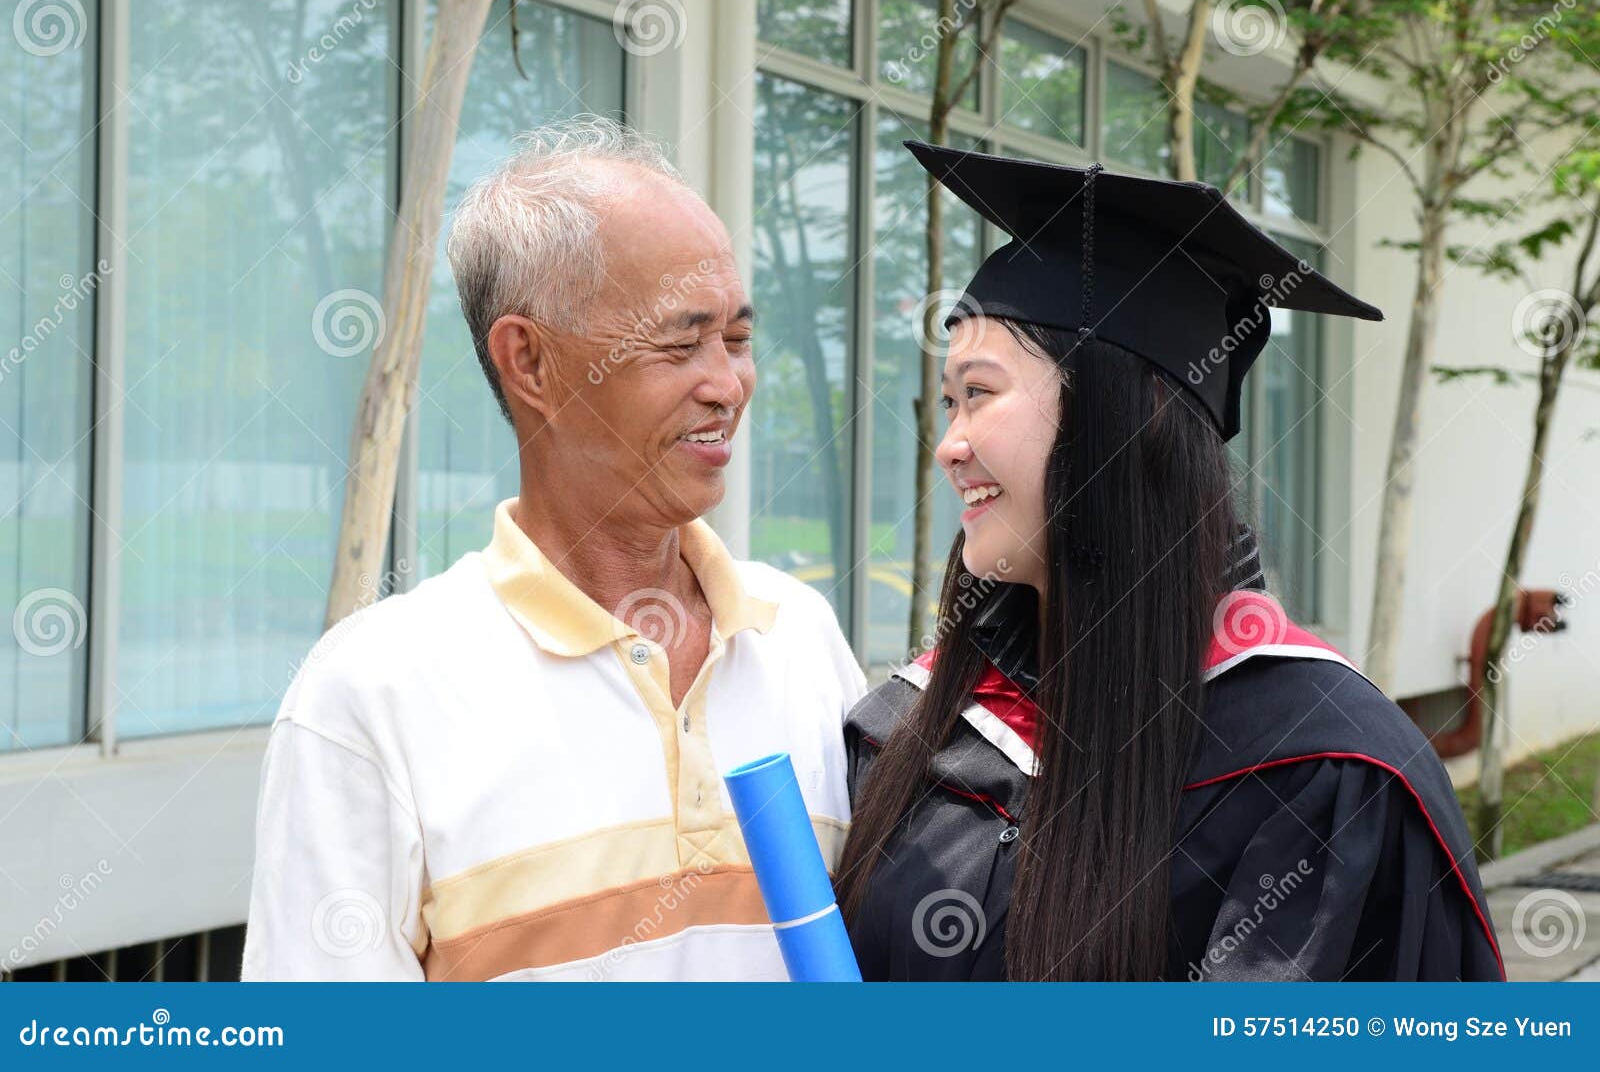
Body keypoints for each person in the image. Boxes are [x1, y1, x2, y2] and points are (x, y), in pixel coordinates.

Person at [836, 142, 1503, 982]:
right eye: (945, 403)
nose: (948, 445)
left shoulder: (1324, 768)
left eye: (978, 394)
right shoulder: (905, 733)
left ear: (1126, 416)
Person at [242, 117, 866, 981]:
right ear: (529, 362)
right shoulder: (371, 698)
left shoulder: (798, 639)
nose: (727, 384)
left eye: (737, 338)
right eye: (679, 343)